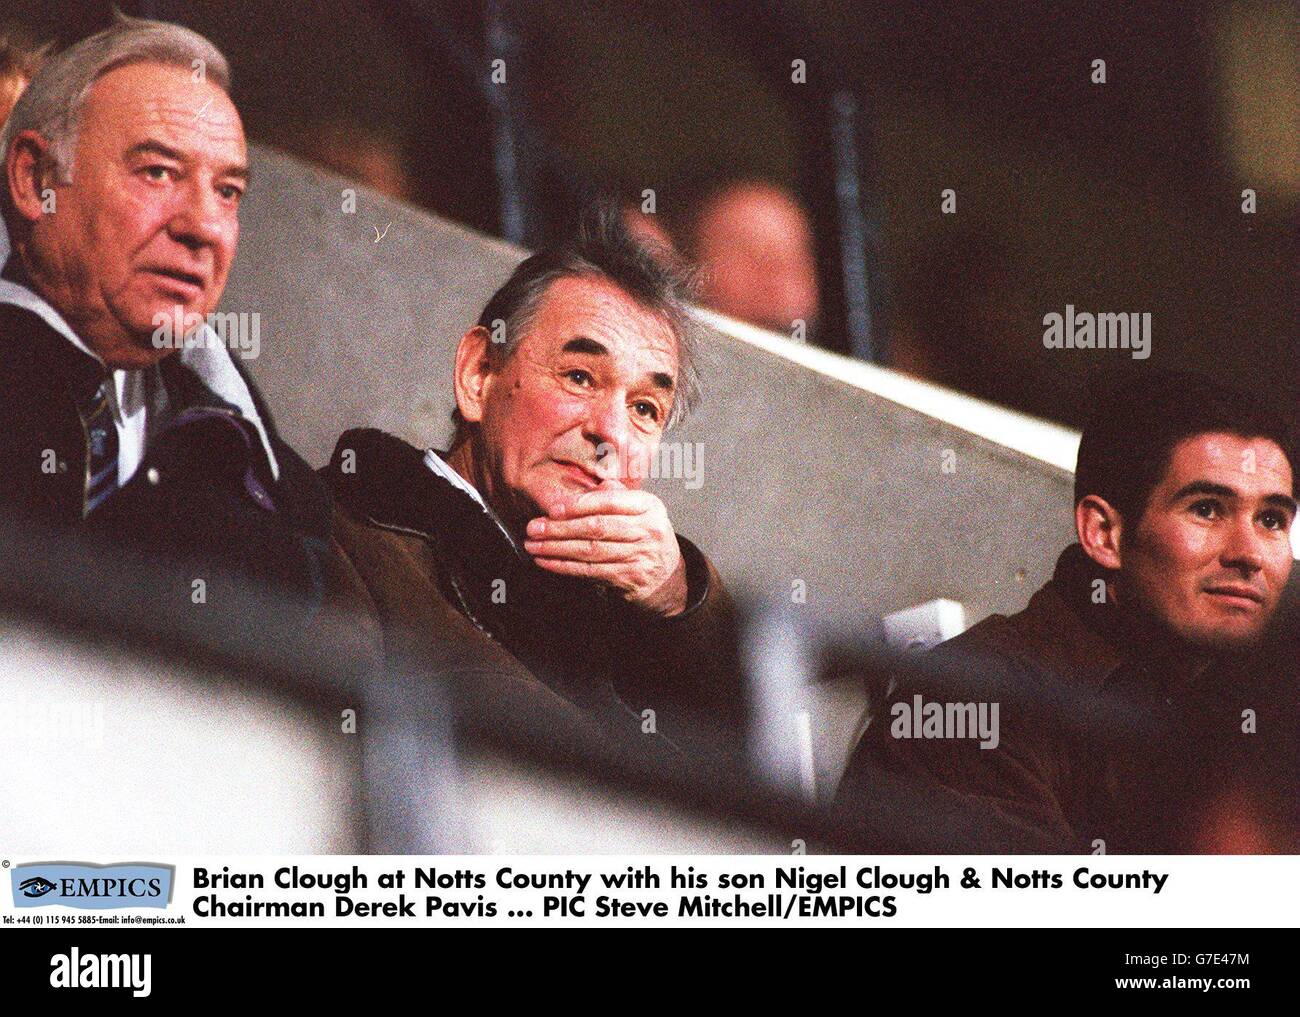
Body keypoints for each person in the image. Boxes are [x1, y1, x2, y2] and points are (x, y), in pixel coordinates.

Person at [321, 201, 744, 760]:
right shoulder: (341, 533)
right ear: (478, 375)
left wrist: (677, 606)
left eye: (645, 408)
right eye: (579, 377)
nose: (610, 432)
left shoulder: (642, 610)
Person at [835, 371, 1297, 852]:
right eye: (1206, 509)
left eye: (1270, 520)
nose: (1249, 554)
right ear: (1103, 534)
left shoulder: (1261, 710)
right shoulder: (966, 707)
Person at [0, 16, 331, 606]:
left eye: (228, 191)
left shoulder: (256, 460)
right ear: (35, 179)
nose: (203, 227)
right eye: (157, 172)